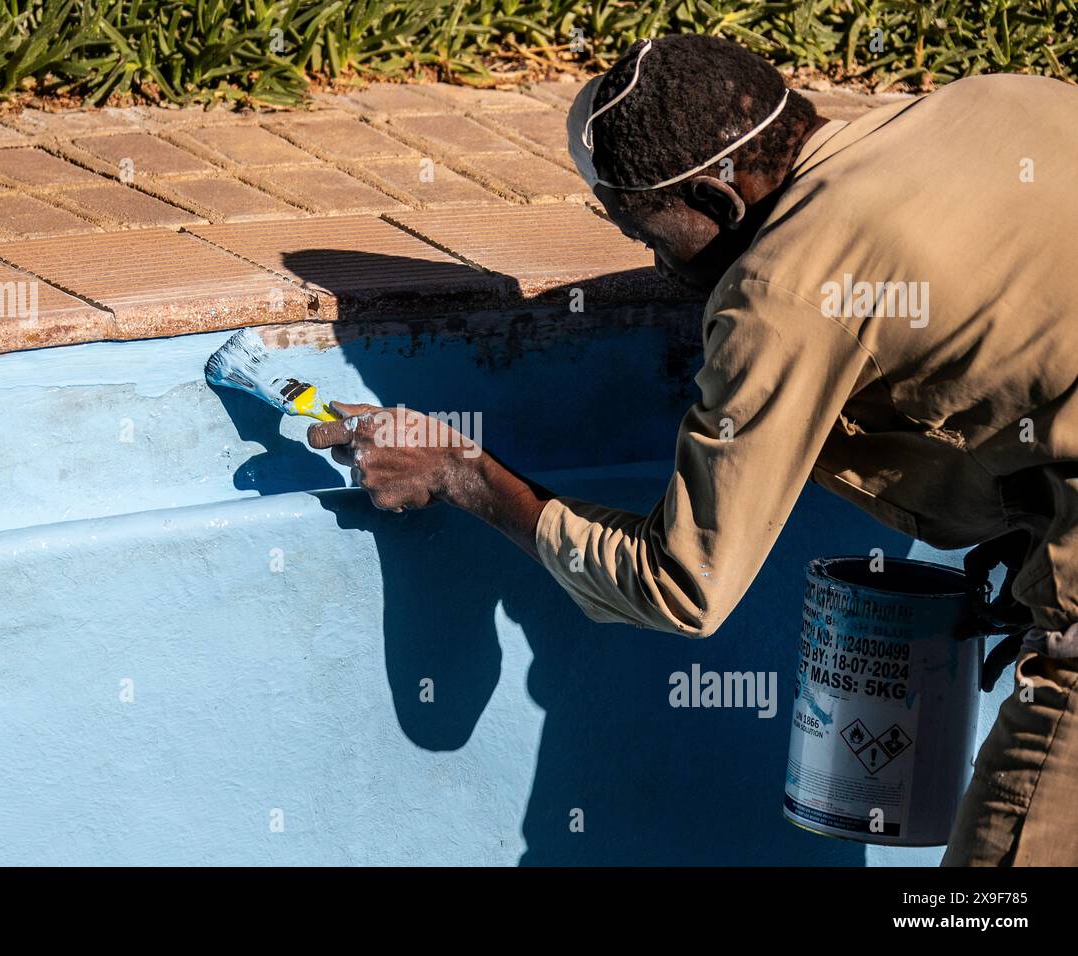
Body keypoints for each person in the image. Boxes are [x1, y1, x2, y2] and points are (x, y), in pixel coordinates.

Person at [307, 34, 1078, 866]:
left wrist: (461, 473)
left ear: (720, 198)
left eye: (647, 232)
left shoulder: (783, 291)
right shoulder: (1003, 99)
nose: (653, 261)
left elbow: (681, 585)